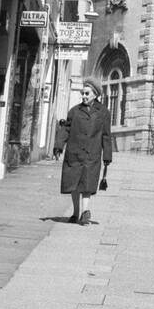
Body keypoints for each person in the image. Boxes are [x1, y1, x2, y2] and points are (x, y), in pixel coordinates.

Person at [60, 77, 113, 225]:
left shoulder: (104, 113)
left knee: (87, 184)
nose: (83, 96)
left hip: (92, 154)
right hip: (74, 152)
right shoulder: (74, 111)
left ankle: (85, 213)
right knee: (74, 185)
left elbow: (106, 135)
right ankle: (75, 213)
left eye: (87, 93)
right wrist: (59, 145)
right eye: (82, 93)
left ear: (95, 94)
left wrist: (107, 156)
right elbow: (66, 129)